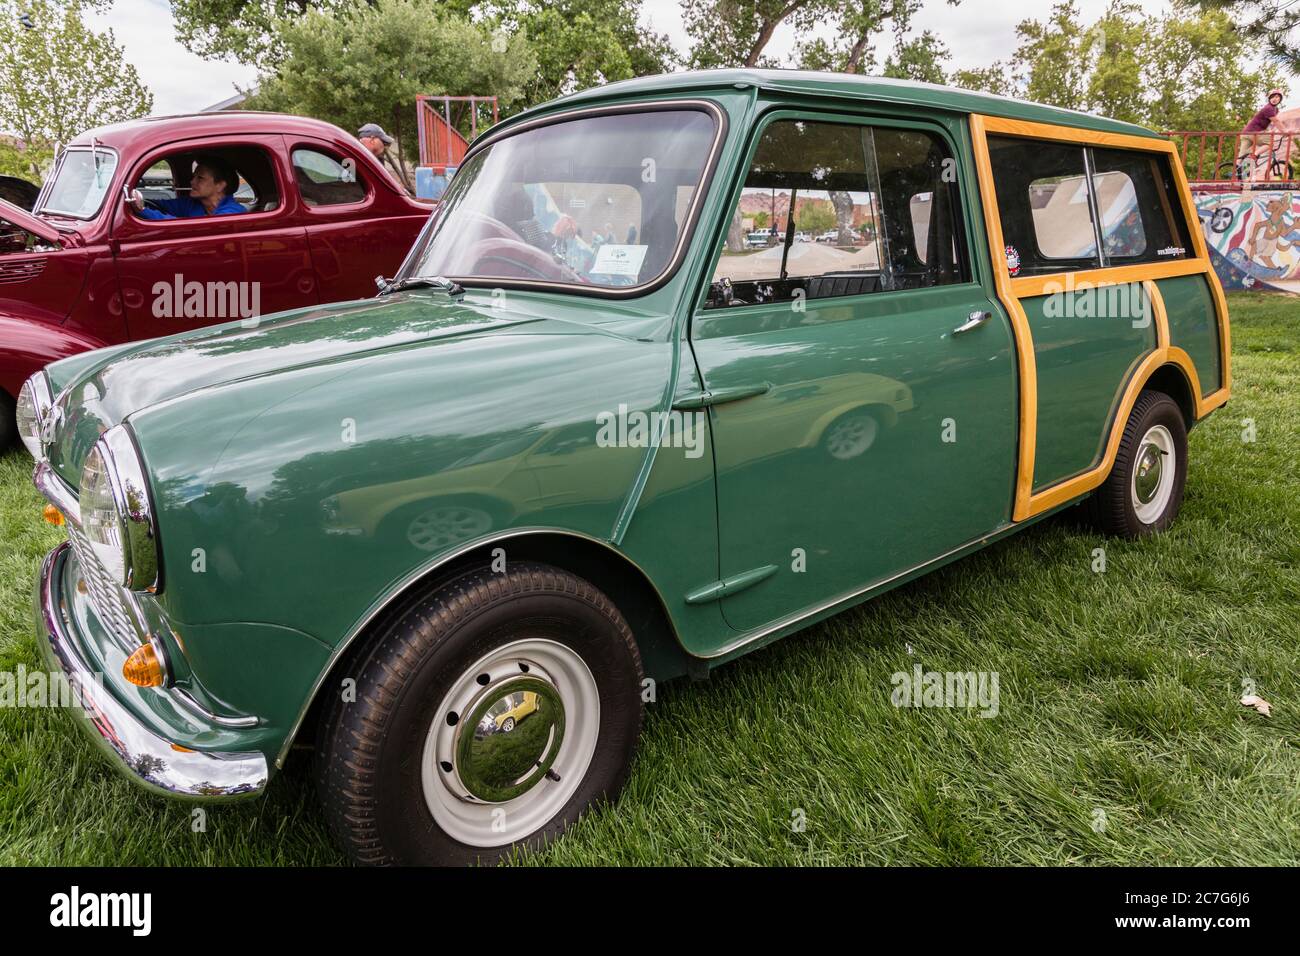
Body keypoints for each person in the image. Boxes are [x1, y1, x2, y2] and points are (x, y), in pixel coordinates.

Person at [133, 156, 244, 219]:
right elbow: (162, 204)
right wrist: (137, 201)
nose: (192, 182)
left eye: (200, 178)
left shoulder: (233, 212)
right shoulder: (192, 204)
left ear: (220, 185)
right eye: (193, 176)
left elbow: (193, 228)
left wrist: (143, 210)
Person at [357, 122, 416, 195]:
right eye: (384, 142)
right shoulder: (353, 158)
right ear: (372, 140)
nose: (384, 146)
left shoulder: (373, 160)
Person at [1237, 89, 1285, 172]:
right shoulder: (1269, 108)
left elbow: (1269, 122)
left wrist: (1271, 130)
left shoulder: (1275, 110)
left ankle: (1236, 175)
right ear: (1269, 98)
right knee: (1269, 144)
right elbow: (1276, 121)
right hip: (1253, 133)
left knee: (1241, 156)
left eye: (1277, 97)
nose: (1274, 99)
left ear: (1280, 99)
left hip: (1246, 133)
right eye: (1272, 97)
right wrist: (1285, 131)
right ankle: (1255, 154)